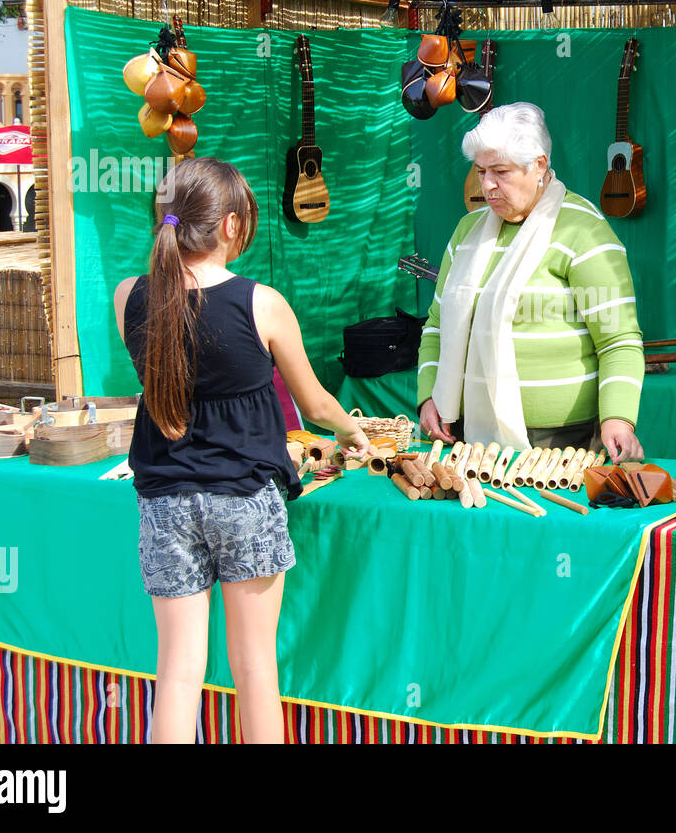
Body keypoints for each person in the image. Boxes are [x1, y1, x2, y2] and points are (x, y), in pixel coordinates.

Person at [113, 157, 372, 744]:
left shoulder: (128, 296)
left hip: (164, 503)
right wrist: (354, 434)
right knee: (255, 668)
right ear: (231, 226)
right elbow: (318, 404)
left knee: (177, 675)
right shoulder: (262, 303)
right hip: (243, 500)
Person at [417, 102, 645, 459]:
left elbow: (619, 340)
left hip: (562, 443)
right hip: (464, 434)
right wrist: (429, 395)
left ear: (538, 165)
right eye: (481, 171)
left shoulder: (583, 231)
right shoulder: (467, 231)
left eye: (501, 171)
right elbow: (435, 325)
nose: (488, 185)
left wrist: (618, 419)